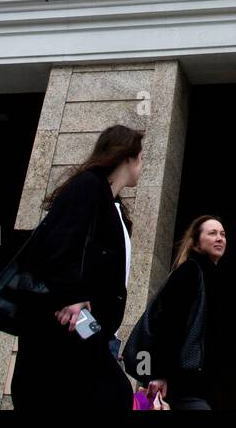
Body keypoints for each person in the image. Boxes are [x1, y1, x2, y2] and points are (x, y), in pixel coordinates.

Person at [10, 124, 142, 411]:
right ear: (128, 157)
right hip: (69, 320)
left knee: (106, 393)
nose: (142, 166)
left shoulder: (114, 206)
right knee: (115, 393)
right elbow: (56, 243)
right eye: (140, 157)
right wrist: (71, 294)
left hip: (89, 327)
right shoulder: (88, 186)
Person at [144, 215, 227, 410]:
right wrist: (160, 373)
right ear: (197, 242)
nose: (219, 238)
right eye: (212, 233)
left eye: (222, 234)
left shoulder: (213, 277)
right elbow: (168, 322)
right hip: (182, 385)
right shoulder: (190, 271)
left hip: (201, 387)